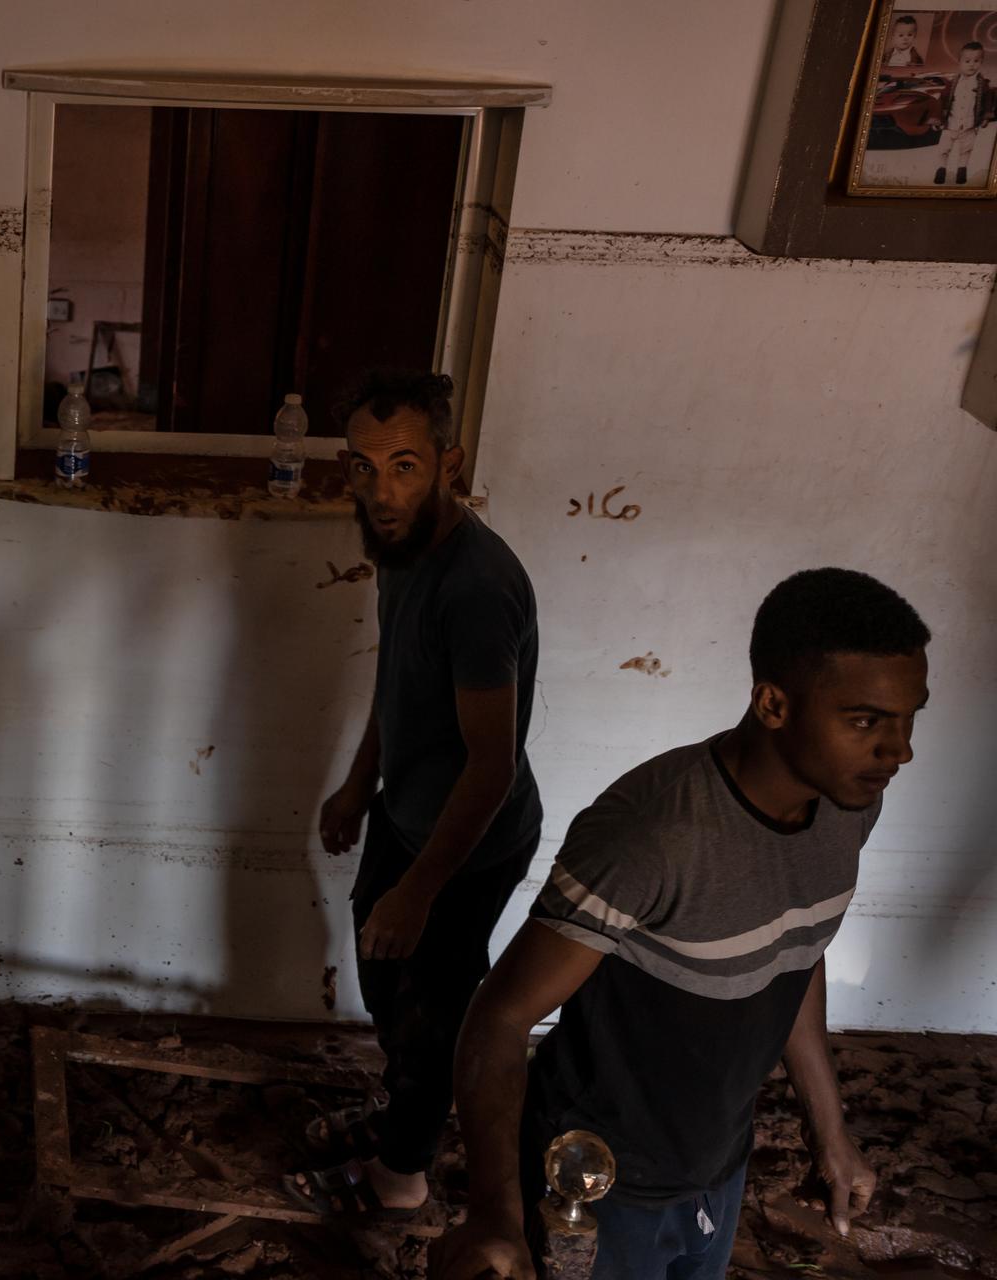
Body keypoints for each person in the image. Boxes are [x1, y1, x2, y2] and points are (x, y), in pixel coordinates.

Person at [434, 568, 931, 1280]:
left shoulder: (849, 806)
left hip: (717, 1165)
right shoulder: (649, 836)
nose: (899, 750)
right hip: (598, 1182)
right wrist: (495, 1214)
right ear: (773, 703)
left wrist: (831, 1132)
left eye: (909, 718)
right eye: (865, 721)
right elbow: (500, 1018)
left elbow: (795, 947)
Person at [285, 369, 542, 1222]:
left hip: (470, 842)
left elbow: (492, 767)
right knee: (386, 984)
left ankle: (402, 1180)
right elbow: (400, 684)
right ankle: (403, 1113)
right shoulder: (402, 549)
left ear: (449, 465)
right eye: (365, 468)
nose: (383, 491)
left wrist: (420, 889)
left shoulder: (476, 588)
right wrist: (360, 784)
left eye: (404, 466)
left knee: (432, 1016)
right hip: (407, 813)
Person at [932, 41, 995, 185]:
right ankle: (941, 170)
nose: (972, 65)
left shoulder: (982, 85)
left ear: (981, 62)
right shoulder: (952, 83)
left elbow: (988, 101)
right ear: (959, 62)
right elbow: (942, 100)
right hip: (951, 124)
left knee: (966, 149)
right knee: (943, 148)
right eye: (967, 61)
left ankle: (962, 170)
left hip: (969, 125)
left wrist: (986, 117)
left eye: (976, 61)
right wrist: (937, 119)